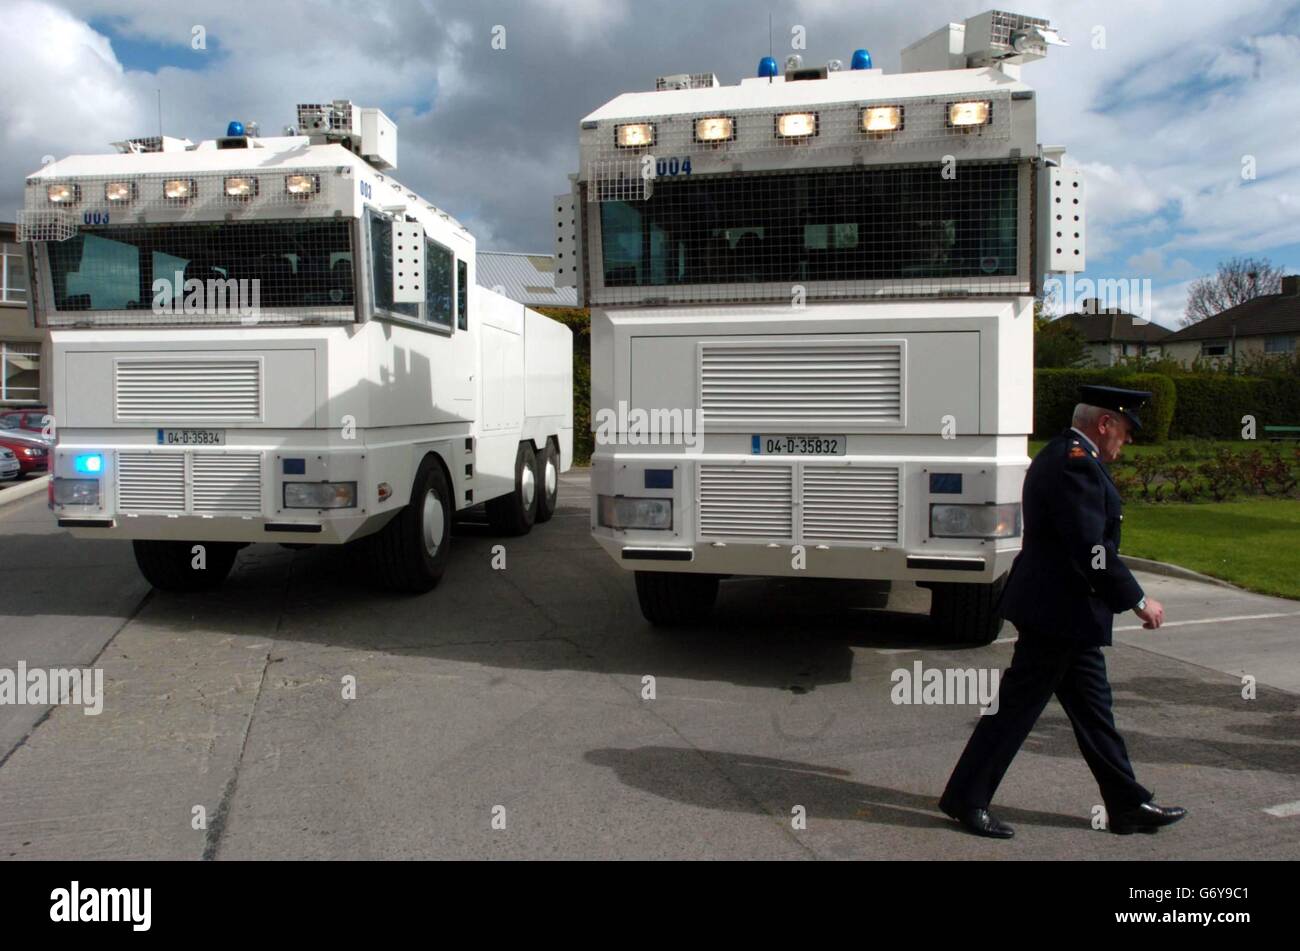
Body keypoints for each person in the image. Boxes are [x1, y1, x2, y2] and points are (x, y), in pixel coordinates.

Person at [938, 385, 1187, 838]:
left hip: (1067, 616)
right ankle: (965, 799)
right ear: (1104, 422)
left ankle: (1128, 804)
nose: (1127, 441)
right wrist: (1136, 600)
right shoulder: (1075, 464)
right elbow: (1091, 549)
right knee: (1016, 711)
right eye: (1126, 430)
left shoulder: (1069, 456)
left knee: (1094, 713)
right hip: (1058, 614)